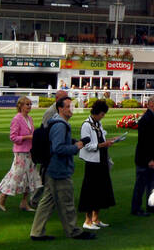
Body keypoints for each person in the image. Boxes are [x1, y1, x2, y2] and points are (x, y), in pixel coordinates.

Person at [29, 97, 96, 241]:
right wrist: (75, 147)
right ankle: (73, 231)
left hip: (53, 168)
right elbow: (58, 148)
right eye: (67, 106)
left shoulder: (57, 123)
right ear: (60, 108)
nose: (71, 109)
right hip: (59, 169)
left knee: (47, 202)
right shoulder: (60, 125)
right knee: (67, 202)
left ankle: (37, 232)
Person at [78, 99, 118, 230]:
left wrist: (110, 141)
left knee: (101, 190)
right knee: (90, 191)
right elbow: (87, 145)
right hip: (92, 162)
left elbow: (101, 138)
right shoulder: (86, 125)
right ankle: (87, 220)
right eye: (102, 114)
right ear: (96, 112)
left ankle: (96, 218)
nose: (103, 116)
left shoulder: (97, 123)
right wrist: (103, 145)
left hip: (101, 160)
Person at [0, 96, 40, 212]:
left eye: (30, 104)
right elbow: (13, 137)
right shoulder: (17, 119)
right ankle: (2, 197)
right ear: (20, 106)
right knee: (16, 175)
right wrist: (27, 137)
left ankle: (24, 202)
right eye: (27, 104)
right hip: (21, 152)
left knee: (29, 177)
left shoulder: (30, 119)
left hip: (30, 151)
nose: (29, 107)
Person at [132, 94, 154, 216]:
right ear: (150, 103)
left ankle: (151, 205)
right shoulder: (146, 119)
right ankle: (136, 208)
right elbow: (144, 142)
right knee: (141, 184)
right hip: (146, 159)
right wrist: (149, 159)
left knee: (152, 183)